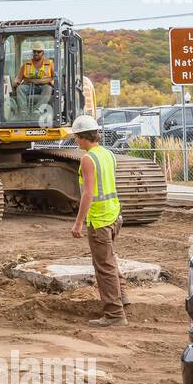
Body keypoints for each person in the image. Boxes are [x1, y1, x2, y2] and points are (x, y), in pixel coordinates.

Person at [69, 114, 128, 327]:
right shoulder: (108, 154)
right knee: (110, 259)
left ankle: (114, 315)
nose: (75, 141)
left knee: (104, 267)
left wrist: (78, 223)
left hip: (100, 219)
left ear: (82, 137)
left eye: (76, 137)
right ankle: (123, 297)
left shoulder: (87, 159)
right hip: (114, 215)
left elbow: (88, 194)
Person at [16, 44, 54, 115]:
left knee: (48, 88)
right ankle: (23, 111)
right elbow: (19, 77)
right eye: (34, 52)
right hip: (29, 86)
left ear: (43, 52)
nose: (36, 54)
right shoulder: (26, 64)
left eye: (38, 52)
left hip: (44, 86)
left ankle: (38, 110)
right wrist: (16, 83)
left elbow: (54, 77)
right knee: (20, 88)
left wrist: (48, 81)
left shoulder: (49, 63)